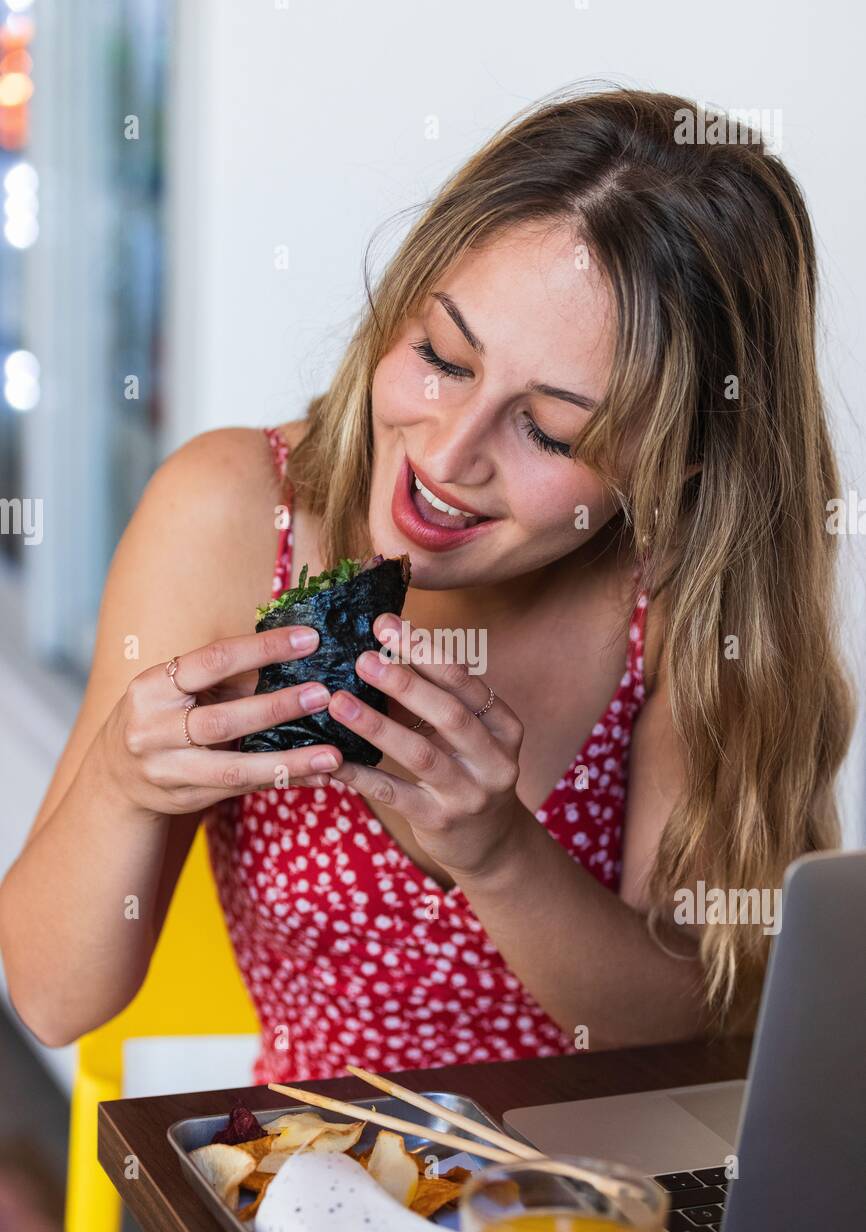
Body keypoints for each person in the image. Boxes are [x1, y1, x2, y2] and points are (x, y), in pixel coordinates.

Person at [0, 87, 853, 1083]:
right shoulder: (232, 514)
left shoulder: (677, 596)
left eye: (550, 430)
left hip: (601, 1204)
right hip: (321, 1191)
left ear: (674, 467)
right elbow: (53, 999)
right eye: (441, 357)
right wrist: (121, 780)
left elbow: (698, 1026)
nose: (448, 453)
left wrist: (495, 854)